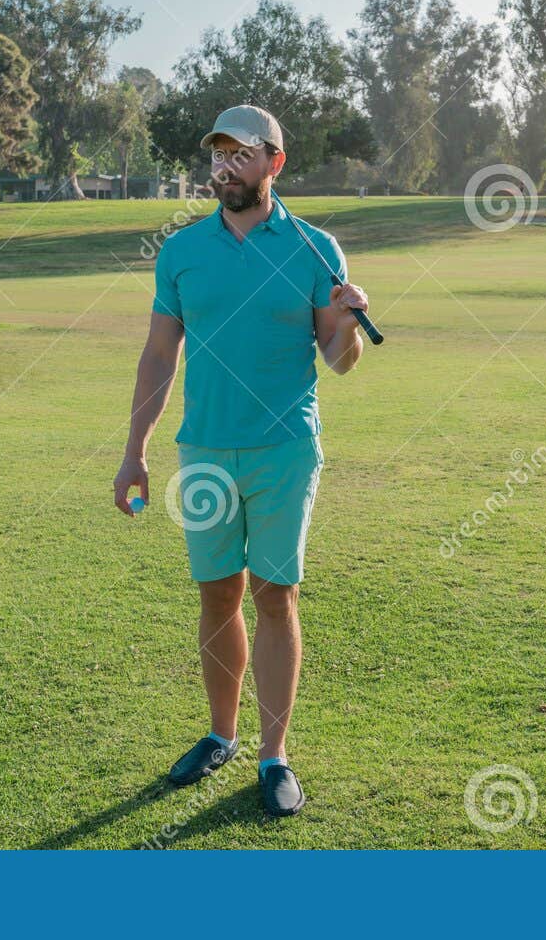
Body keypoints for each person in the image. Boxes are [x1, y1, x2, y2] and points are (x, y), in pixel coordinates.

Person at [114, 104, 371, 816]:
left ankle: (273, 754)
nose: (226, 167)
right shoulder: (183, 251)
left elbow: (339, 361)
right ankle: (220, 735)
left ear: (274, 163)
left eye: (243, 154)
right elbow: (160, 354)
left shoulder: (317, 250)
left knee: (275, 595)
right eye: (219, 155)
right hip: (203, 449)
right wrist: (134, 452)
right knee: (217, 593)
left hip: (285, 447)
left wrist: (347, 323)